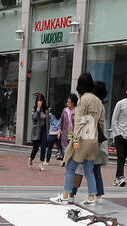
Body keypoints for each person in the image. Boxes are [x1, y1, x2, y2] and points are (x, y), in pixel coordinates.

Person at [50, 72, 104, 207]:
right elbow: (101, 122)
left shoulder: (83, 100)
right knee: (89, 169)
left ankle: (65, 196)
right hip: (93, 139)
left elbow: (79, 121)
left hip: (82, 139)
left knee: (70, 167)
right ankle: (91, 198)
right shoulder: (98, 101)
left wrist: (75, 140)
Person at [110, 83, 127, 187]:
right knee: (120, 156)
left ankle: (117, 178)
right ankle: (121, 177)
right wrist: (117, 134)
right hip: (119, 135)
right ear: (126, 91)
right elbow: (114, 120)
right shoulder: (120, 104)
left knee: (123, 157)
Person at [29, 94, 48, 169]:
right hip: (36, 131)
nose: (40, 102)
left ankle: (41, 164)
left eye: (41, 100)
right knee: (35, 148)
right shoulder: (34, 109)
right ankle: (31, 158)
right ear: (36, 101)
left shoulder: (46, 110)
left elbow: (47, 121)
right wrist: (38, 109)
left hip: (44, 130)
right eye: (38, 100)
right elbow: (34, 118)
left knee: (43, 147)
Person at [59, 93, 76, 160]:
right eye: (67, 102)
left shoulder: (77, 111)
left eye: (69, 102)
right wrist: (59, 131)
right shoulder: (65, 111)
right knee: (66, 151)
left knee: (73, 153)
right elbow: (61, 122)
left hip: (74, 136)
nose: (67, 103)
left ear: (73, 103)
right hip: (66, 135)